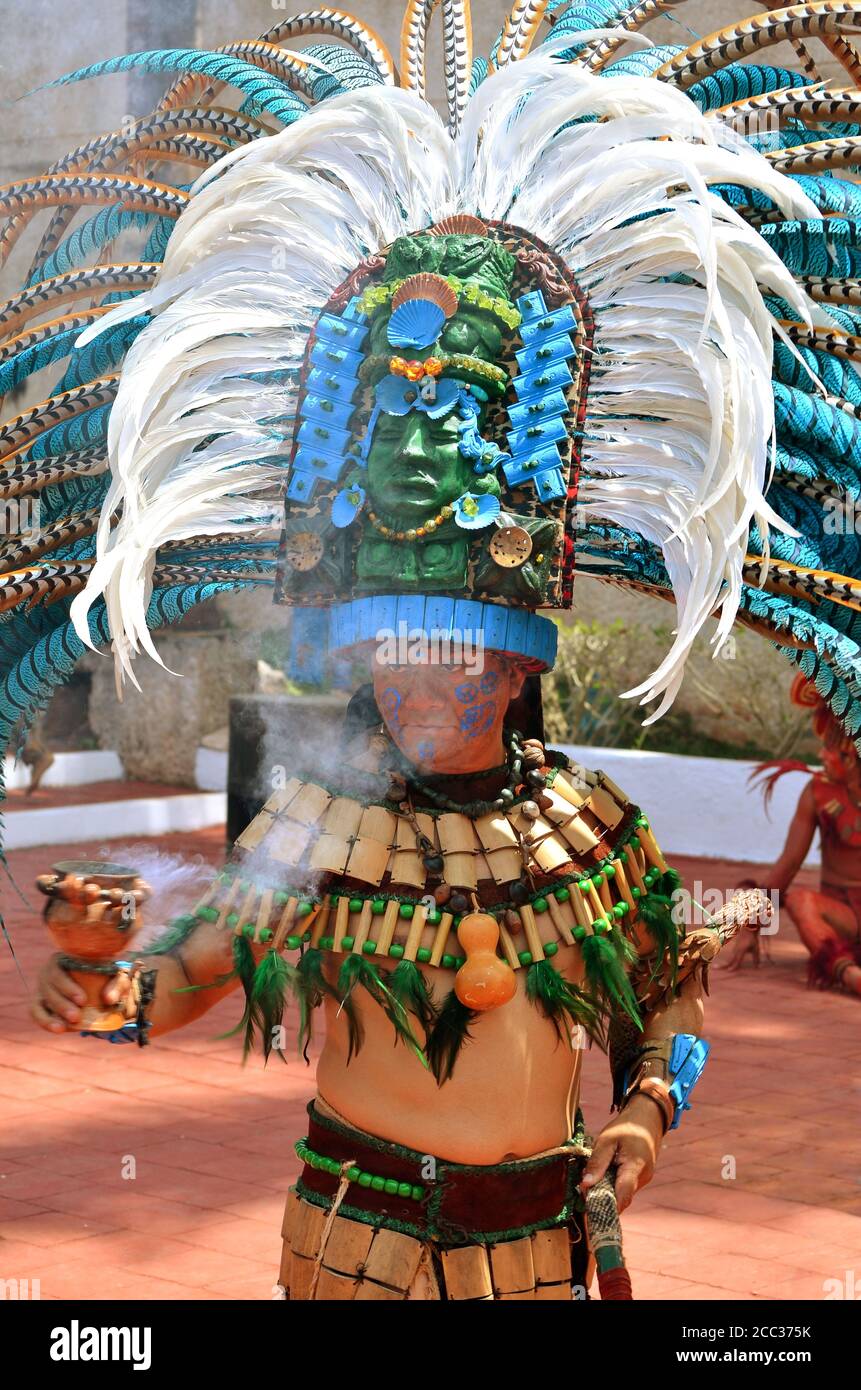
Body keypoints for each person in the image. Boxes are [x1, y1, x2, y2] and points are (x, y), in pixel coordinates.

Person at [4, 0, 860, 1301]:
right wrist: (109, 996)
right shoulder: (309, 828)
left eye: (453, 658)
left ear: (521, 669)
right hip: (356, 1246)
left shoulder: (596, 832)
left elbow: (665, 1005)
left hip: (541, 1253)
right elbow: (203, 964)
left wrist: (643, 1111)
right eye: (395, 659)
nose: (419, 688)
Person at [722, 675, 861, 998]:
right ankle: (850, 975)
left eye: (828, 747)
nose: (822, 755)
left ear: (850, 756)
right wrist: (752, 927)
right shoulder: (816, 793)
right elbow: (788, 864)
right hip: (843, 915)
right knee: (800, 900)